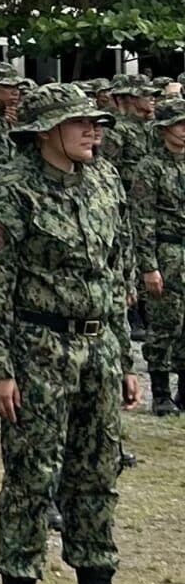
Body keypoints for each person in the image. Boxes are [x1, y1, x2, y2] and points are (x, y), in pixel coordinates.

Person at [0, 81, 162, 584]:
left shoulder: (104, 180)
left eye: (97, 122)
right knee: (31, 477)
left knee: (97, 473)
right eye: (81, 122)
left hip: (99, 347)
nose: (94, 131)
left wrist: (126, 359)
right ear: (48, 130)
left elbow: (117, 274)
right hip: (39, 349)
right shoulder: (14, 193)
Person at [132, 100, 185, 416]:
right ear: (165, 129)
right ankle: (161, 393)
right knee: (165, 323)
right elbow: (142, 219)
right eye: (181, 125)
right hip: (166, 253)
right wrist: (148, 266)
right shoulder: (150, 167)